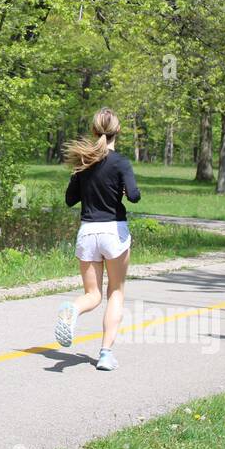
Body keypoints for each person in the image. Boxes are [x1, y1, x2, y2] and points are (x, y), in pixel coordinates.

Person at [55, 108, 141, 371]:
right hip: (114, 232)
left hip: (88, 232)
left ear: (94, 131)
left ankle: (72, 309)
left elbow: (70, 200)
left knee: (92, 295)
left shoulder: (84, 162)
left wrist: (82, 178)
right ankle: (105, 354)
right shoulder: (121, 163)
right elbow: (135, 196)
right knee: (115, 291)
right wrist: (124, 189)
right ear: (118, 132)